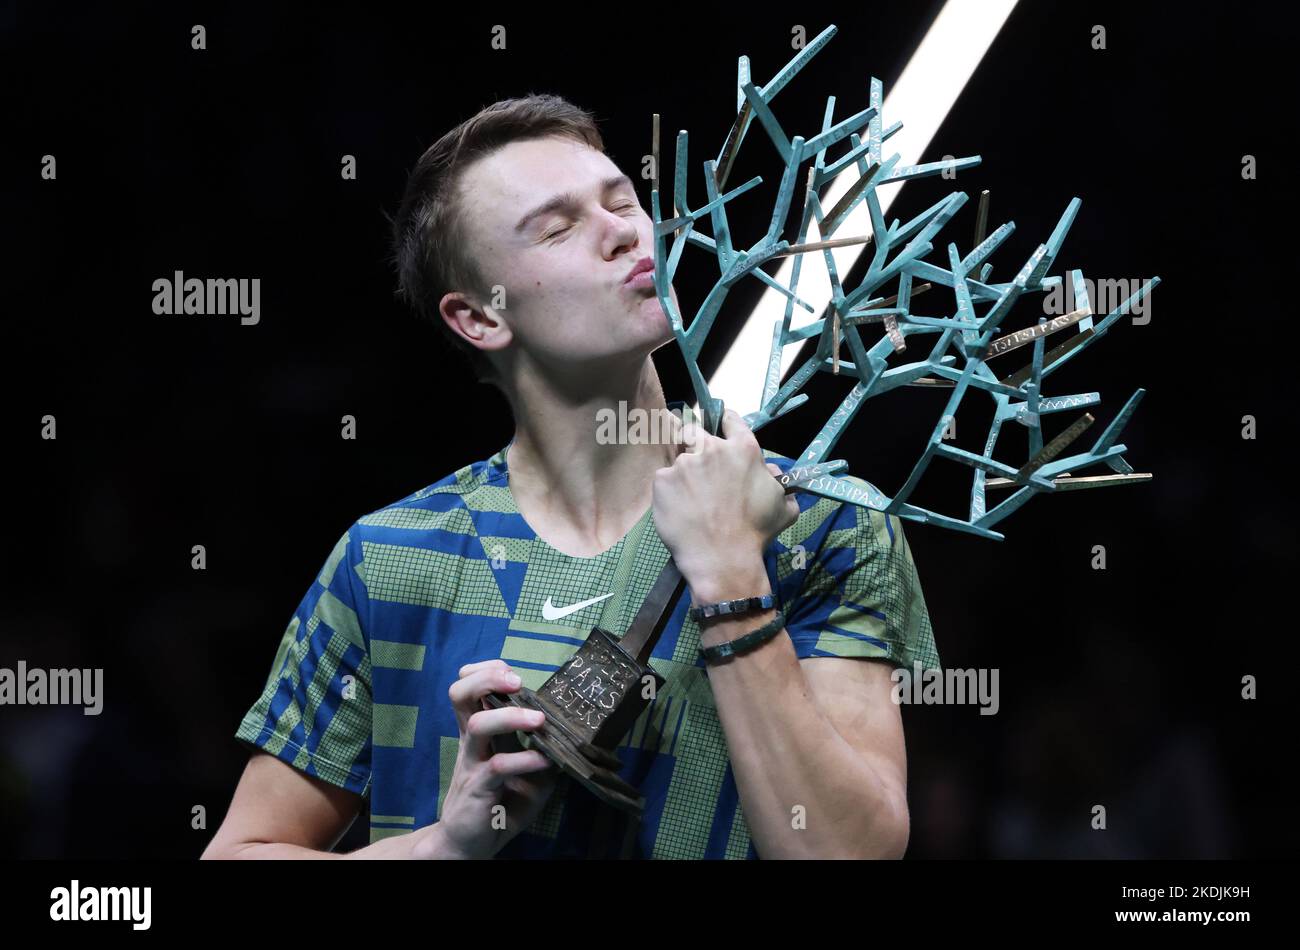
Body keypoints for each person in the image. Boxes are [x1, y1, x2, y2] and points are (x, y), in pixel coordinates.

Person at [201, 93, 938, 860]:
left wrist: (730, 578)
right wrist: (446, 846)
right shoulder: (387, 559)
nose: (621, 231)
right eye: (559, 228)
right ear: (480, 318)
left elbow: (848, 853)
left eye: (622, 202)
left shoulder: (818, 519)